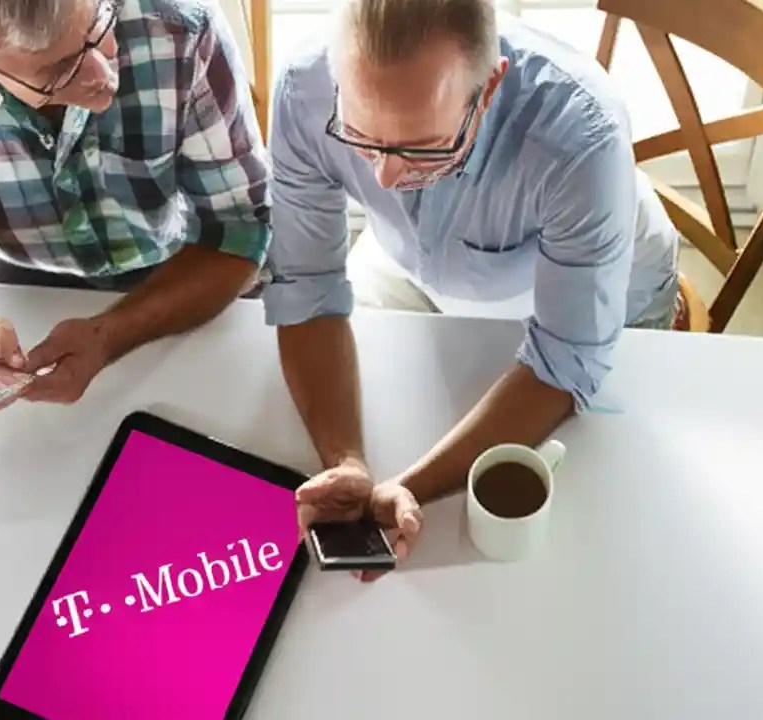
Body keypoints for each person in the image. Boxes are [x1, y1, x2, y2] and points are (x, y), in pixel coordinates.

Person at [261, 0, 688, 577]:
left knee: (598, 521)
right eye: (359, 136)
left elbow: (565, 360)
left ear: (488, 89)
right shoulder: (304, 89)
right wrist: (348, 462)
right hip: (412, 267)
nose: (384, 179)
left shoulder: (583, 136)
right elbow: (307, 286)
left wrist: (408, 489)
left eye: (423, 146)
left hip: (603, 298)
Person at [0, 0, 270, 413]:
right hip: (23, 258)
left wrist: (109, 337)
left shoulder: (183, 23)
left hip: (180, 252)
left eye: (99, 26)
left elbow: (239, 228)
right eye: (56, 72)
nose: (106, 78)